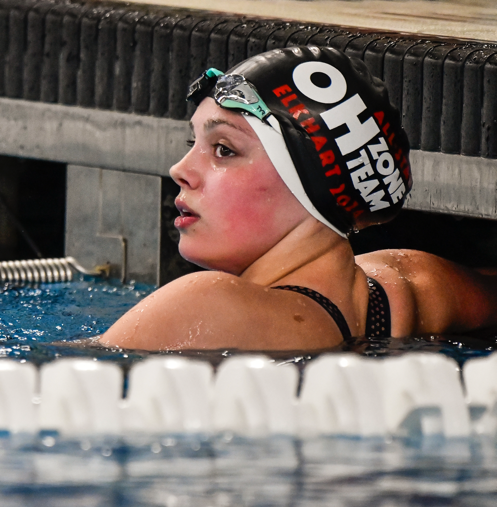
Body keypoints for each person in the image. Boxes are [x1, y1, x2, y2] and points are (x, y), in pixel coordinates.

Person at [98, 46, 497, 352]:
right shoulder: (410, 287)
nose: (180, 169)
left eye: (224, 150)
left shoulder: (207, 303)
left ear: (311, 184)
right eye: (193, 142)